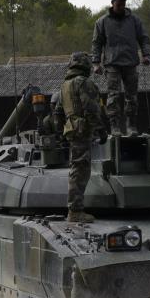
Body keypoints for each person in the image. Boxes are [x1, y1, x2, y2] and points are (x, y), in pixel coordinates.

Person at [92, 0, 150, 136]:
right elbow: (97, 43)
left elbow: (144, 38)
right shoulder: (102, 22)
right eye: (118, 5)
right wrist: (95, 63)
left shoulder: (134, 20)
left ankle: (131, 125)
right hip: (112, 63)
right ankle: (114, 126)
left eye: (123, 5)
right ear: (112, 3)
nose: (120, 8)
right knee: (113, 95)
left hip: (130, 62)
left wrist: (146, 55)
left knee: (131, 96)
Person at [60, 52, 107, 223]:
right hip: (83, 130)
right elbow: (91, 108)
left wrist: (64, 130)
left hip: (72, 130)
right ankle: (75, 211)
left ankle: (75, 209)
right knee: (80, 171)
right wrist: (101, 129)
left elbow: (58, 112)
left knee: (76, 169)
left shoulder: (64, 86)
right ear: (86, 66)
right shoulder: (84, 83)